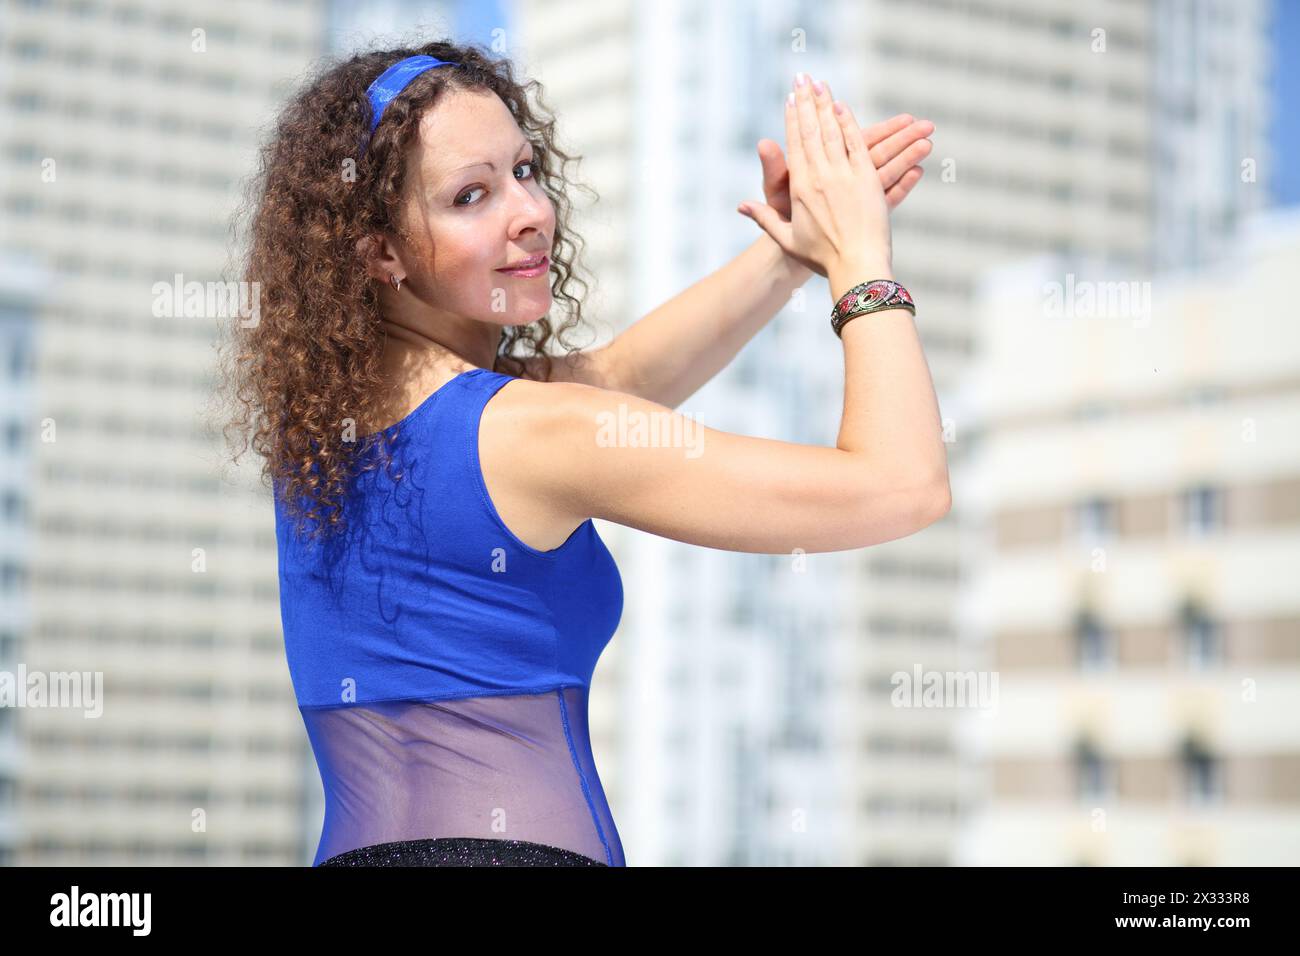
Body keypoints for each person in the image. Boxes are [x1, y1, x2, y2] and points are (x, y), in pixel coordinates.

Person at [218, 40, 946, 866]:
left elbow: (619, 380)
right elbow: (901, 484)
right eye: (470, 196)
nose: (528, 212)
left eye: (524, 171)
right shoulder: (531, 433)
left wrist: (787, 254)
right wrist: (861, 264)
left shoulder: (330, 426)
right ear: (379, 251)